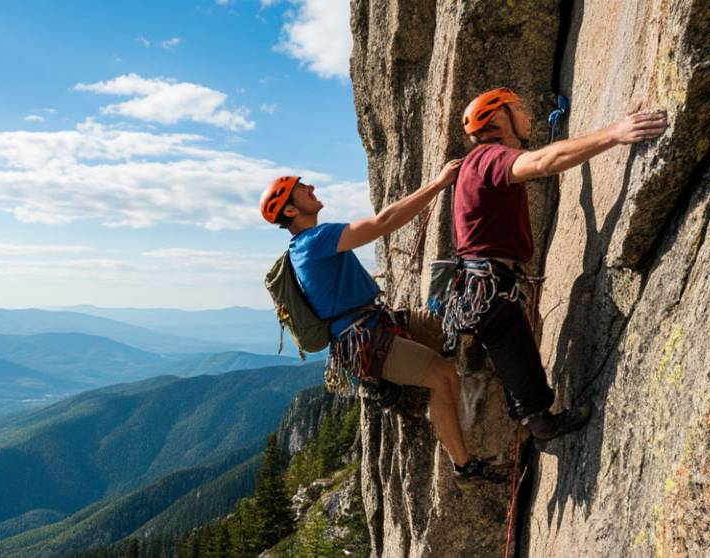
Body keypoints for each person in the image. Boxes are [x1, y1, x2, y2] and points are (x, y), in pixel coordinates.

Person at [444, 87, 667, 445]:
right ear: (499, 117)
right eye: (519, 108)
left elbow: (543, 161)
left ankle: (536, 420)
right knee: (513, 348)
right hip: (489, 284)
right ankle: (540, 422)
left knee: (511, 349)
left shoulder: (476, 162)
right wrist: (615, 133)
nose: (528, 116)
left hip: (481, 285)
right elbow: (543, 163)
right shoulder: (490, 157)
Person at [259, 162, 503, 482]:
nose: (311, 188)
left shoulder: (301, 248)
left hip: (372, 326)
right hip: (366, 340)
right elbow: (382, 222)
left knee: (443, 322)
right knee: (442, 376)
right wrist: (439, 182)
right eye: (301, 189)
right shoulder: (315, 240)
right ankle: (464, 466)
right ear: (291, 210)